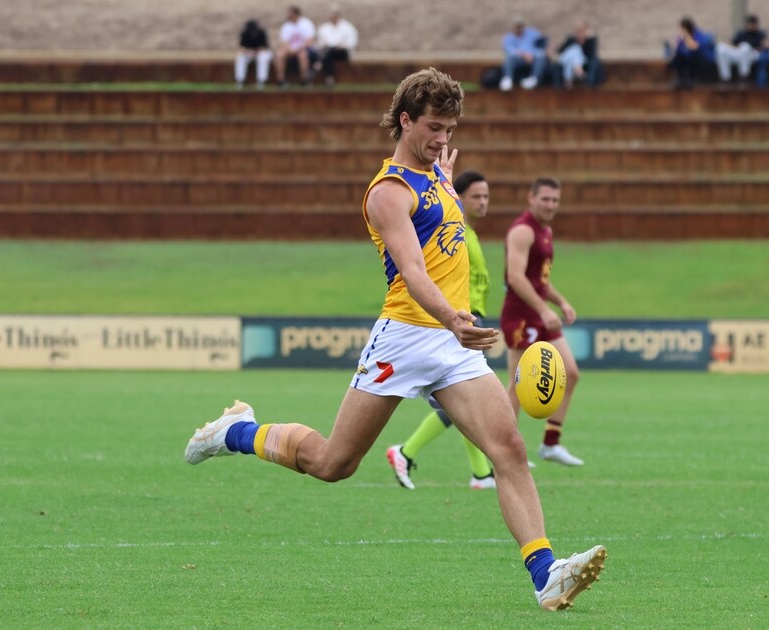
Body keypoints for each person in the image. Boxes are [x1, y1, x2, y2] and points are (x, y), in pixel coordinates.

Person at [184, 68, 607, 611]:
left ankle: (545, 573)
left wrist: (448, 183)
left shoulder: (438, 175)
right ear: (404, 121)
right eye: (434, 127)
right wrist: (454, 318)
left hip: (452, 346)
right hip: (405, 336)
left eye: (450, 129)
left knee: (510, 449)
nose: (442, 139)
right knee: (334, 463)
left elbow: (442, 228)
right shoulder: (388, 193)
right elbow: (413, 271)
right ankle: (236, 431)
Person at [386, 170, 497, 491]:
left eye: (487, 196)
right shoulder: (456, 230)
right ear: (458, 198)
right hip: (457, 320)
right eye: (476, 196)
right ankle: (407, 452)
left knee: (462, 401)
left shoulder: (470, 236)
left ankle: (480, 473)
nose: (483, 202)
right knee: (462, 402)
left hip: (469, 319)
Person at [501, 178, 584, 467]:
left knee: (570, 373)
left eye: (555, 200)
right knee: (517, 385)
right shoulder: (522, 230)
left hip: (539, 313)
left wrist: (560, 303)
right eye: (545, 199)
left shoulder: (545, 231)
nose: (551, 205)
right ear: (531, 198)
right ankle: (503, 450)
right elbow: (515, 278)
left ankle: (551, 443)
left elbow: (539, 281)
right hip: (520, 315)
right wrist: (544, 309)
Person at [715, 14, 769, 89]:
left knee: (745, 47)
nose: (751, 26)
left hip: (753, 53)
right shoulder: (741, 33)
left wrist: (762, 46)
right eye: (749, 24)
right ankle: (725, 78)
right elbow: (732, 43)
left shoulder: (760, 34)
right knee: (721, 47)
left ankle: (743, 77)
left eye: (752, 24)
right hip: (740, 53)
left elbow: (766, 44)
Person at [666, 17, 717, 90]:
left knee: (691, 57)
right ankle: (682, 79)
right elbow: (675, 49)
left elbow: (695, 47)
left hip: (704, 63)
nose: (679, 31)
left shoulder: (698, 34)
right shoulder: (681, 37)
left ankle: (690, 79)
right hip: (691, 64)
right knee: (678, 57)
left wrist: (686, 36)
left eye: (681, 29)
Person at [499, 17, 548, 91]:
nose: (518, 28)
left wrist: (544, 50)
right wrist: (524, 55)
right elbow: (510, 50)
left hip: (532, 57)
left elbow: (542, 43)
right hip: (518, 59)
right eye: (516, 26)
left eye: (519, 26)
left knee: (541, 55)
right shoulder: (508, 38)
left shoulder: (532, 33)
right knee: (510, 57)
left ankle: (534, 79)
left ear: (523, 26)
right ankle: (508, 78)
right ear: (512, 27)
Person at [316, 4, 358, 86]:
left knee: (331, 51)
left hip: (342, 53)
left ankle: (320, 64)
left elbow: (352, 43)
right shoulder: (324, 28)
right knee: (330, 51)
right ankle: (329, 78)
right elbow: (320, 43)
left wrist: (343, 46)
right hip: (328, 52)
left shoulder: (348, 27)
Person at [274, 5, 317, 87]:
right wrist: (290, 49)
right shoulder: (286, 26)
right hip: (289, 49)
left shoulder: (306, 23)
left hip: (303, 48)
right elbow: (284, 41)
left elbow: (309, 40)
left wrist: (298, 49)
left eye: (289, 13)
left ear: (295, 13)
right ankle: (281, 79)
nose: (287, 15)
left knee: (303, 55)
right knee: (279, 54)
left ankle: (304, 79)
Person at [555, 20, 600, 89]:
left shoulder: (590, 39)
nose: (579, 32)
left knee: (573, 55)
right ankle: (579, 71)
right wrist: (576, 41)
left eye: (581, 30)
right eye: (578, 30)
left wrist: (583, 41)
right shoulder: (571, 38)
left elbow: (591, 53)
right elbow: (561, 50)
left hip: (580, 60)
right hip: (565, 59)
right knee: (575, 49)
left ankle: (568, 80)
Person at [234, 19, 273, 89]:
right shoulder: (244, 33)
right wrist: (248, 52)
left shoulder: (261, 32)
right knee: (240, 58)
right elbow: (241, 47)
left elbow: (264, 47)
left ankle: (261, 81)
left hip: (261, 52)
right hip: (249, 53)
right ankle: (240, 81)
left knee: (262, 58)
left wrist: (255, 52)